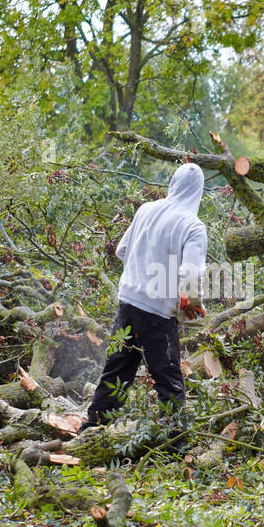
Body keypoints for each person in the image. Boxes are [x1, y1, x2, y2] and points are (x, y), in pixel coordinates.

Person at [84, 162, 209, 429]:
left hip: (128, 304)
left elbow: (121, 250)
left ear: (172, 184)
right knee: (168, 378)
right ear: (199, 192)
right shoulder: (193, 226)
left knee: (117, 370)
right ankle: (175, 440)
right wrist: (194, 306)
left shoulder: (146, 209)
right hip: (157, 314)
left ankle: (93, 428)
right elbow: (190, 277)